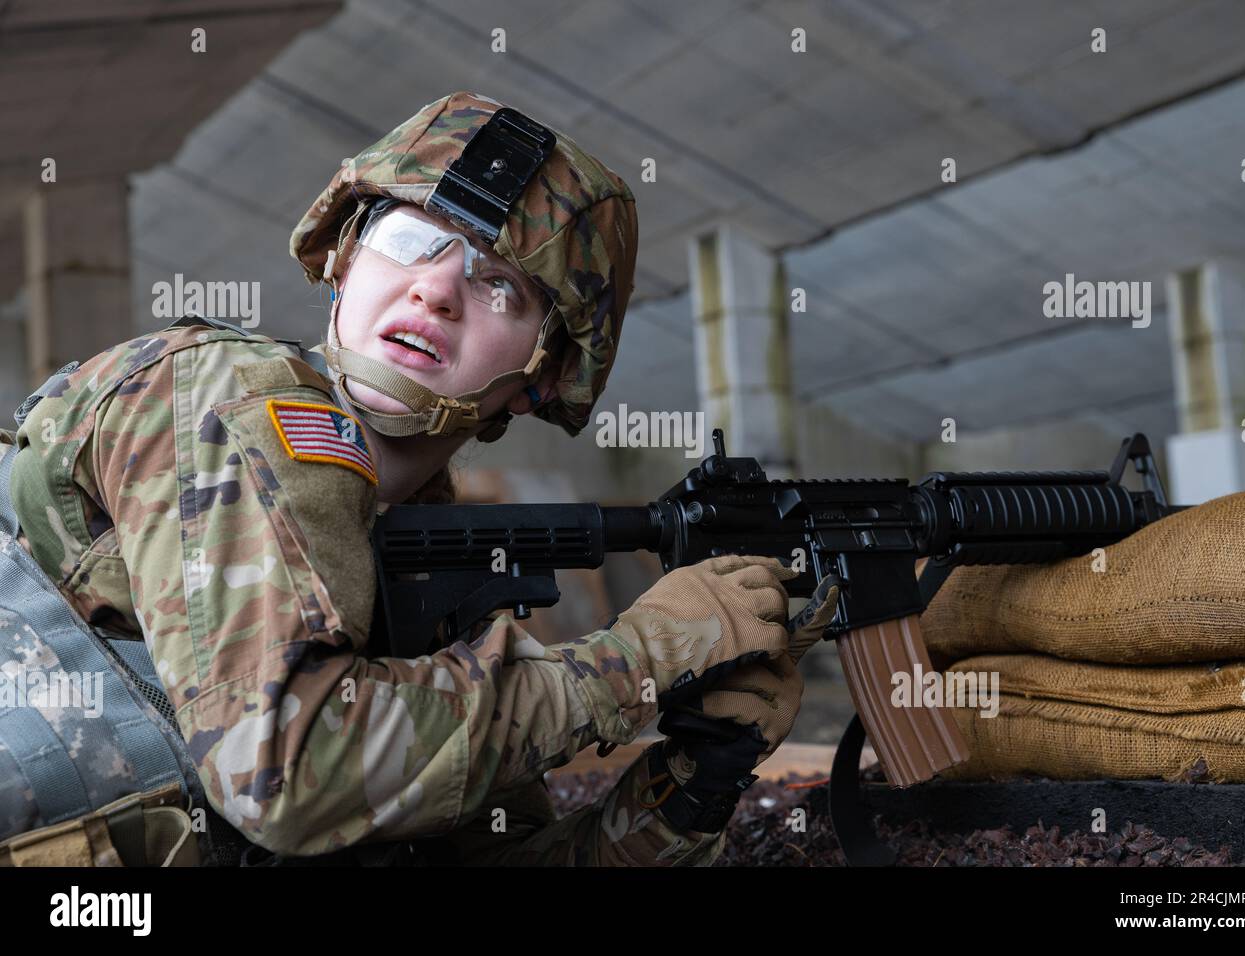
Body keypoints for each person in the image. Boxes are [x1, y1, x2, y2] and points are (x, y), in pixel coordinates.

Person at [0, 91, 838, 866]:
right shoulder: (232, 396)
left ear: (544, 375)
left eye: (500, 285)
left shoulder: (429, 571)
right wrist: (632, 662)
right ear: (343, 261)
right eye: (408, 239)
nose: (436, 288)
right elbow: (287, 775)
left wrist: (695, 780)